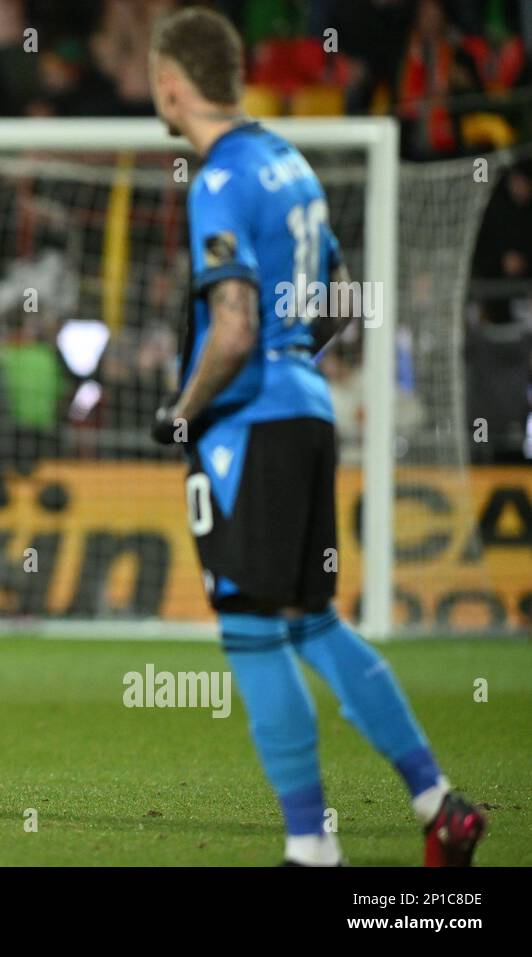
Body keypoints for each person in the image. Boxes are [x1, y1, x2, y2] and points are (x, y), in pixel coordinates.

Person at [147, 7, 484, 866]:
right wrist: (294, 358)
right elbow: (340, 292)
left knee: (253, 630)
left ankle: (310, 848)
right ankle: (438, 801)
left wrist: (184, 410)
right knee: (312, 620)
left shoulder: (220, 177)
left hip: (247, 426)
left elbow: (231, 325)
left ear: (171, 84)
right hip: (306, 409)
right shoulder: (290, 162)